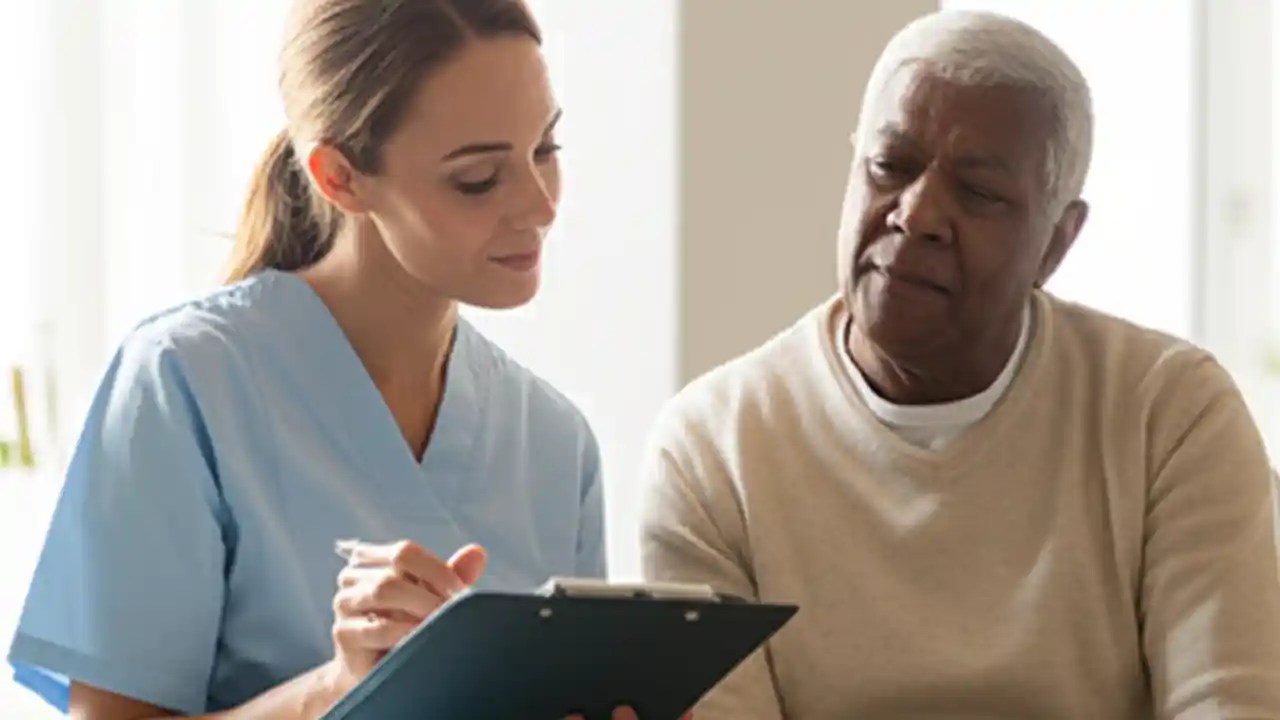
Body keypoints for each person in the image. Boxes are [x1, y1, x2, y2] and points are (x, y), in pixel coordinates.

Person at [639, 9, 1280, 719]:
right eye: (891, 166)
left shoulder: (1170, 414)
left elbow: (1228, 704)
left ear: (1056, 244)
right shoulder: (712, 448)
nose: (916, 214)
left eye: (977, 193)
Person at [5, 1, 640, 718]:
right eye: (477, 180)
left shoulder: (557, 446)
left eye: (545, 151)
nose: (540, 204)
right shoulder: (185, 384)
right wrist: (335, 689)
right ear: (339, 177)